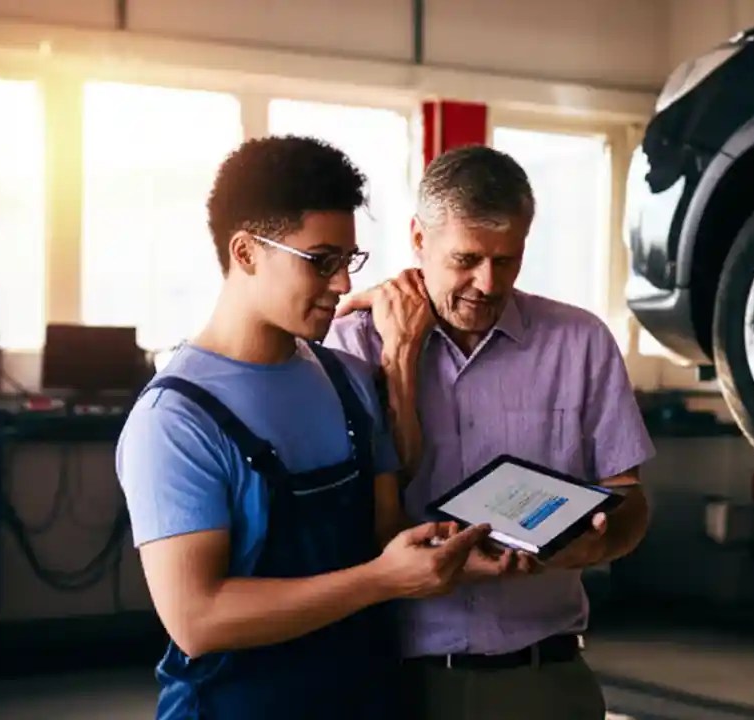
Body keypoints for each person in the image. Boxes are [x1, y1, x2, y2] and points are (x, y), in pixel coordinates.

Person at [115, 135, 491, 720]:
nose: (342, 284)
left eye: (349, 262)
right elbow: (198, 619)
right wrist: (382, 580)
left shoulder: (348, 381)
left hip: (362, 698)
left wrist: (446, 558)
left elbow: (383, 532)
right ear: (245, 252)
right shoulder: (175, 421)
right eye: (321, 261)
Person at [327, 144, 656, 719]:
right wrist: (401, 354)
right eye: (466, 259)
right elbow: (343, 517)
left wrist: (595, 544)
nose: (486, 282)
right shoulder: (353, 343)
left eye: (507, 260)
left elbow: (629, 498)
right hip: (400, 679)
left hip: (545, 678)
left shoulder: (579, 342)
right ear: (418, 240)